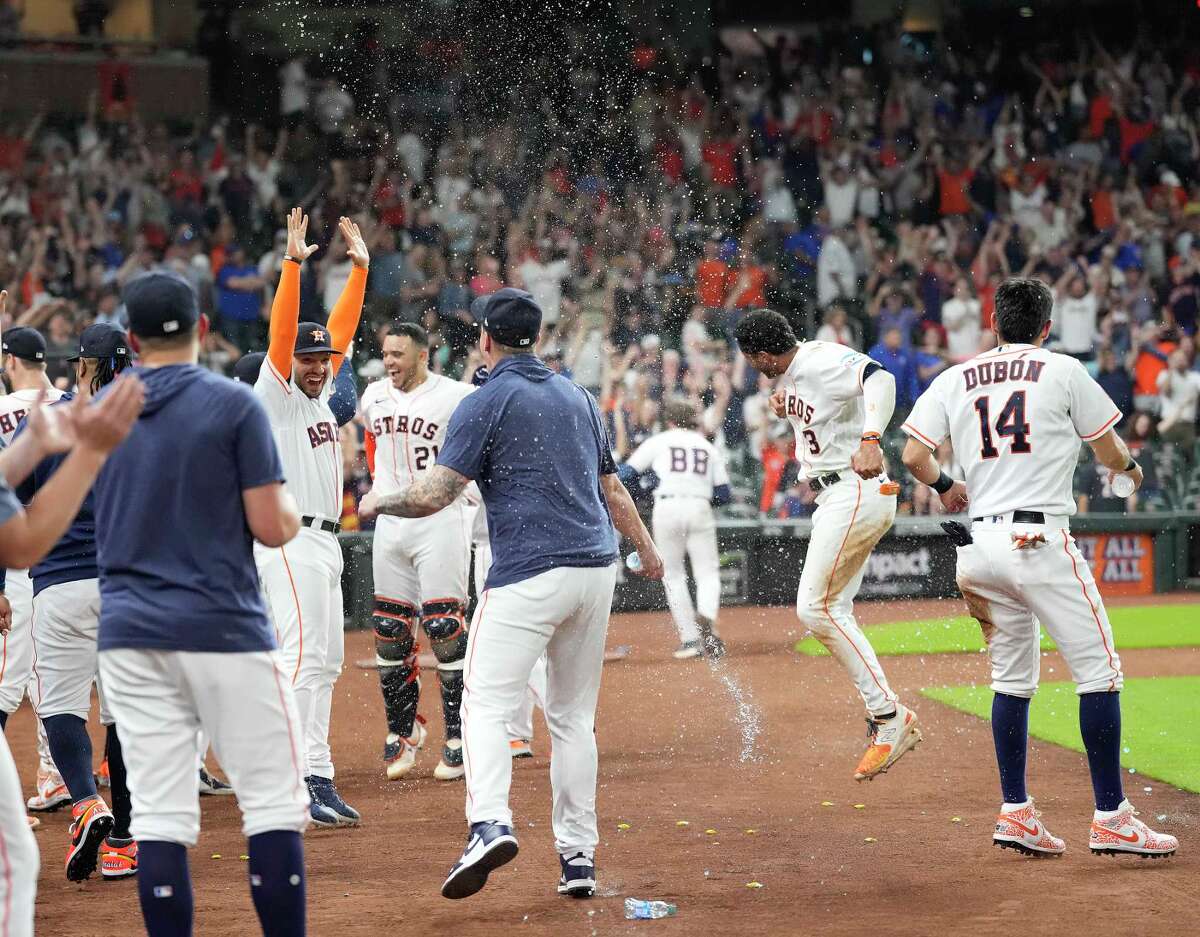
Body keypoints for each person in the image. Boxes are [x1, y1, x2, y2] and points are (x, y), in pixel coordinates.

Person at [359, 287, 664, 901]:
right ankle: (578, 858)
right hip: (596, 569)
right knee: (574, 720)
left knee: (483, 704)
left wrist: (376, 500)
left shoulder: (486, 398)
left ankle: (489, 823)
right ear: (540, 336)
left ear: (486, 341)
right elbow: (614, 490)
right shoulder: (578, 395)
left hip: (528, 572)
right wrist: (649, 552)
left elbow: (435, 494)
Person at [900, 277, 1178, 859]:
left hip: (979, 546)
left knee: (1011, 681)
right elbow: (1108, 452)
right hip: (1038, 538)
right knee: (1100, 673)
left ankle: (1016, 812)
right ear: (1047, 328)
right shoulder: (1062, 370)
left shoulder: (955, 377)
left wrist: (950, 487)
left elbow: (913, 456)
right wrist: (1129, 469)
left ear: (993, 324)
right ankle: (1110, 817)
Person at [92, 271, 310, 937]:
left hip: (129, 630)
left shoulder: (99, 415)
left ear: (129, 340)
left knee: (158, 815)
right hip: (224, 624)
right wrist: (294, 513)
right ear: (203, 330)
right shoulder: (232, 405)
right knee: (272, 804)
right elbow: (272, 526)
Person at [734, 308, 923, 782]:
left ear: (761, 354)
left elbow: (879, 380)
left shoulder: (817, 360)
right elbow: (822, 411)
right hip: (840, 491)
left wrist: (872, 438)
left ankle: (888, 716)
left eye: (754, 360)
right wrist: (787, 407)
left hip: (854, 488)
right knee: (831, 607)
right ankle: (885, 715)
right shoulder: (797, 376)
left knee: (814, 608)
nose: (756, 368)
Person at [0, 346, 145, 937]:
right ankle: (125, 844)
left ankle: (86, 803)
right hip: (122, 582)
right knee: (123, 715)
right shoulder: (134, 422)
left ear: (79, 365)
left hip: (57, 583)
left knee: (58, 706)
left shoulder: (49, 423)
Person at [253, 209, 367, 827]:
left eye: (322, 356)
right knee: (302, 658)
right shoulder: (277, 398)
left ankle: (316, 776)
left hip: (327, 544)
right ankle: (293, 778)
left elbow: (342, 333)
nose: (318, 363)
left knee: (326, 661)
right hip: (290, 541)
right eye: (307, 357)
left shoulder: (322, 403)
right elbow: (281, 337)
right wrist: (294, 265)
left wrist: (361, 271)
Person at [359, 321, 475, 782]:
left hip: (439, 522)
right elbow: (371, 443)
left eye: (398, 355)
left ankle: (459, 736)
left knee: (445, 627)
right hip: (390, 523)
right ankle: (404, 732)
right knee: (389, 630)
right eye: (386, 354)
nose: (389, 362)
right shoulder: (373, 397)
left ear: (423, 355)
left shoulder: (459, 396)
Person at [0, 321, 69, 819]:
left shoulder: (3, 412)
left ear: (10, 363)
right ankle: (53, 774)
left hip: (15, 561)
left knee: (8, 679)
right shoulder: (69, 403)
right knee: (54, 677)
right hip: (66, 558)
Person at [623, 398, 731, 659]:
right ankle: (707, 619)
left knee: (673, 574)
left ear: (669, 421)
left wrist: (646, 488)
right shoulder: (706, 445)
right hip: (699, 507)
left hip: (667, 506)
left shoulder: (659, 441)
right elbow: (724, 493)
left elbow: (625, 474)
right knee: (707, 573)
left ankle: (690, 639)